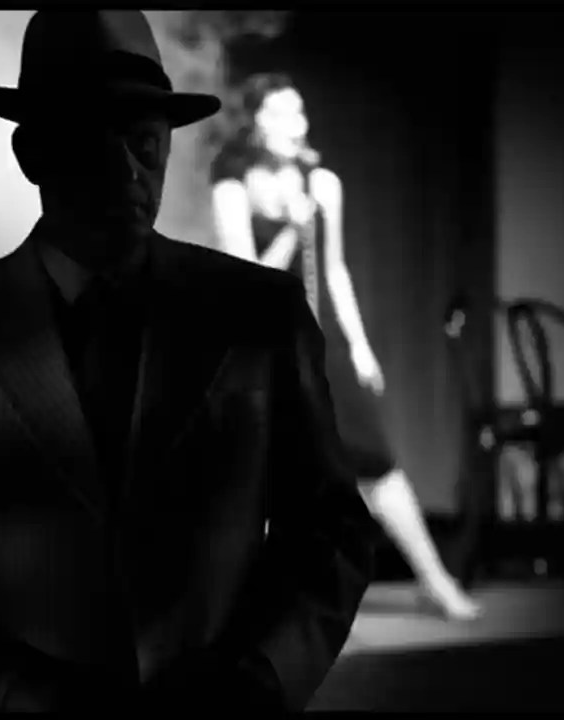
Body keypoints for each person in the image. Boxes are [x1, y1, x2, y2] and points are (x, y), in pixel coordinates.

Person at [0, 12, 379, 714]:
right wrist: (10, 701)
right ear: (30, 153)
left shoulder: (259, 314)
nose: (127, 167)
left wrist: (258, 684)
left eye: (145, 141)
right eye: (94, 138)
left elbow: (331, 533)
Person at [209, 72, 481, 621]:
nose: (296, 123)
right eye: (282, 113)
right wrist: (290, 226)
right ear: (257, 123)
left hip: (322, 337)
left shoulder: (323, 182)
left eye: (300, 112)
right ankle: (247, 603)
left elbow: (335, 271)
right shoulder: (232, 184)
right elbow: (245, 278)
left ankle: (434, 580)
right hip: (262, 339)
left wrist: (359, 346)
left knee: (375, 462)